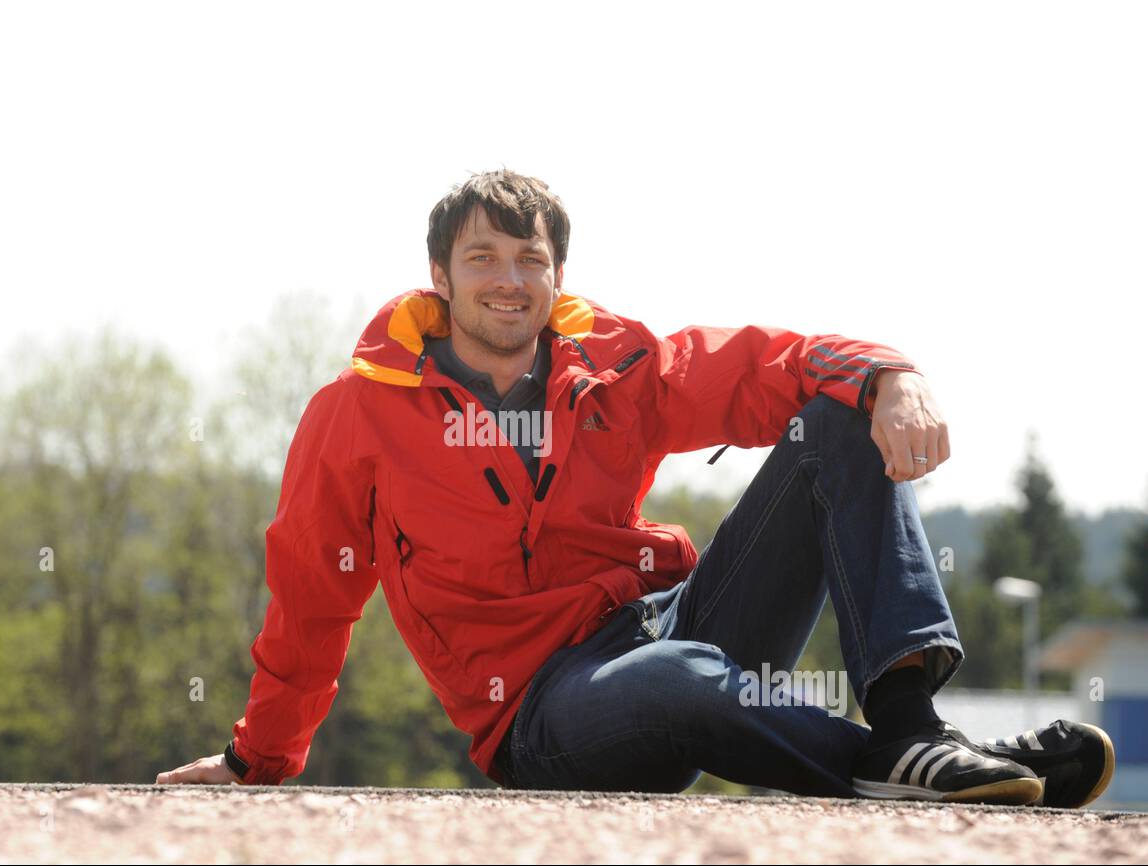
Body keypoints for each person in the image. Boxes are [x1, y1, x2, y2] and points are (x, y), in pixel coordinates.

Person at [157, 169, 1114, 807]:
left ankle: (915, 733)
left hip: (662, 624)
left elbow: (759, 369)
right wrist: (260, 758)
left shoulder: (615, 371)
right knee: (672, 677)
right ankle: (882, 767)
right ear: (439, 276)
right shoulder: (361, 412)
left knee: (831, 411)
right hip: (540, 713)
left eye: (529, 259)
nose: (507, 278)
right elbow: (312, 597)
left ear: (556, 275)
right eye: (482, 257)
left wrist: (887, 375)